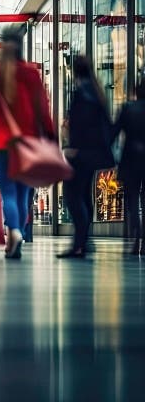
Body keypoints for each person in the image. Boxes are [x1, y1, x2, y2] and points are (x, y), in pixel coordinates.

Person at [0, 26, 55, 259]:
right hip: (27, 144)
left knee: (7, 192)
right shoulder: (31, 74)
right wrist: (50, 136)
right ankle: (18, 232)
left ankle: (14, 233)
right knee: (23, 194)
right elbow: (43, 109)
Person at [57, 56, 115, 258]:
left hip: (81, 154)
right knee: (83, 195)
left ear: (74, 72)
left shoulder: (82, 94)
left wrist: (73, 147)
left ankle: (79, 243)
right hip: (92, 153)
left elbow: (81, 125)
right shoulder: (97, 92)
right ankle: (83, 241)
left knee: (73, 195)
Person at [112, 77, 145, 255]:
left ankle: (136, 235)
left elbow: (114, 132)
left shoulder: (127, 109)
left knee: (132, 201)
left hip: (131, 159)